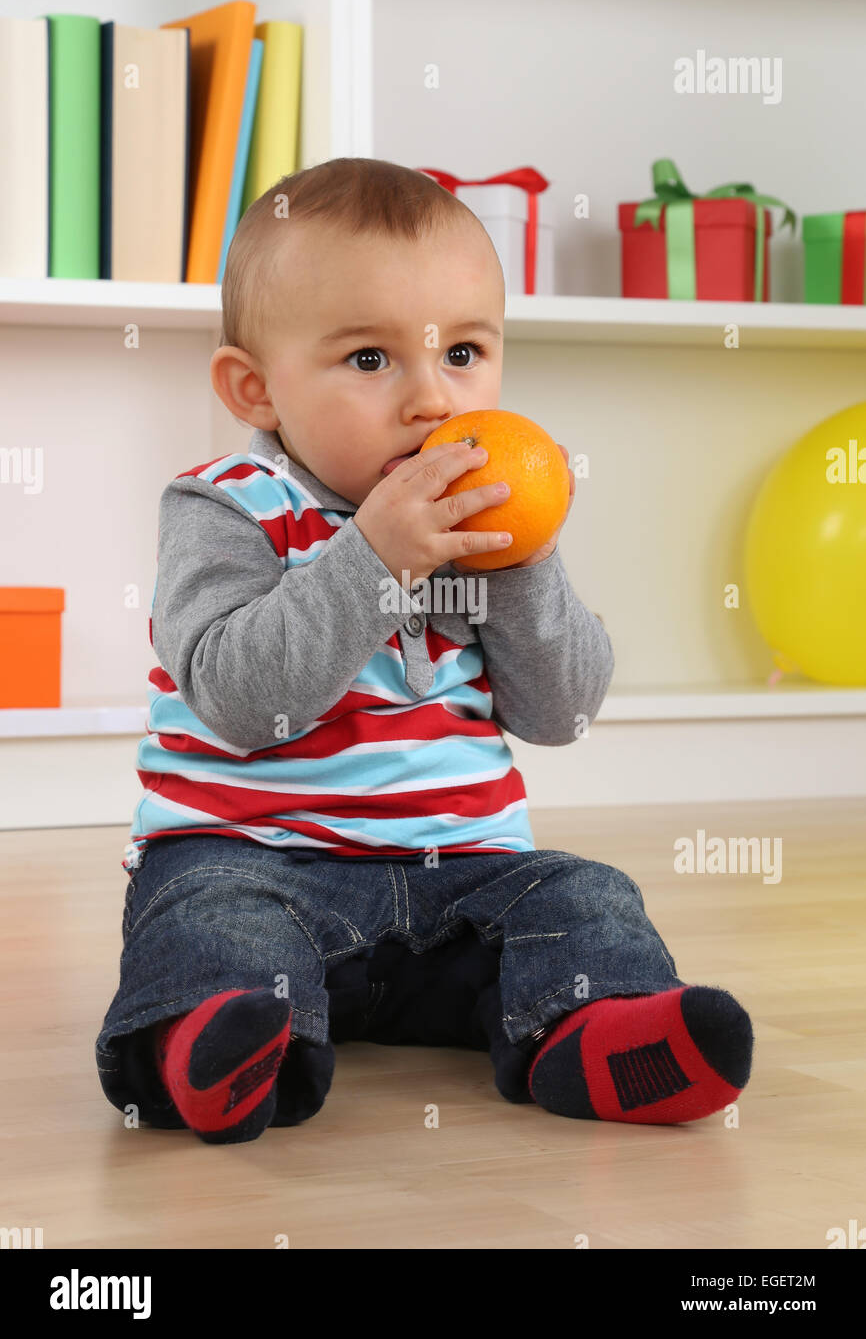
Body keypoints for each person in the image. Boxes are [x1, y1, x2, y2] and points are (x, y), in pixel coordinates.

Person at [95, 158, 752, 1144]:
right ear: (254, 387)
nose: (430, 402)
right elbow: (239, 697)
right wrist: (372, 558)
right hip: (260, 859)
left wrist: (524, 565)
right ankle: (213, 1043)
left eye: (464, 355)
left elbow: (560, 712)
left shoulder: (492, 525)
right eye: (370, 359)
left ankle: (592, 1031)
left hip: (454, 883)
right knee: (205, 918)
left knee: (580, 894)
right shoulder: (226, 505)